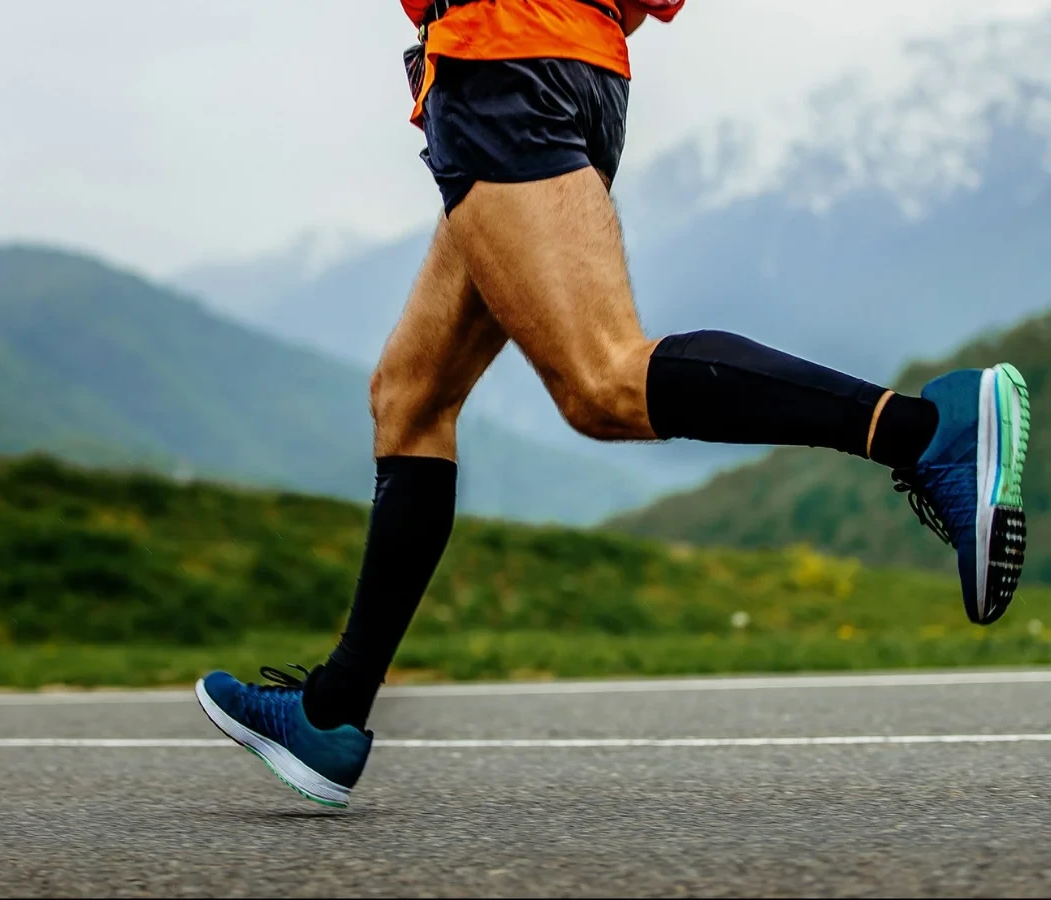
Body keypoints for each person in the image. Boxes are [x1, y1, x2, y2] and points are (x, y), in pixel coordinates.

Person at [194, 0, 1031, 808]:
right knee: (409, 397)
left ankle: (929, 432)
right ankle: (330, 714)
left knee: (602, 382)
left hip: (505, 59)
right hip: (551, 61)